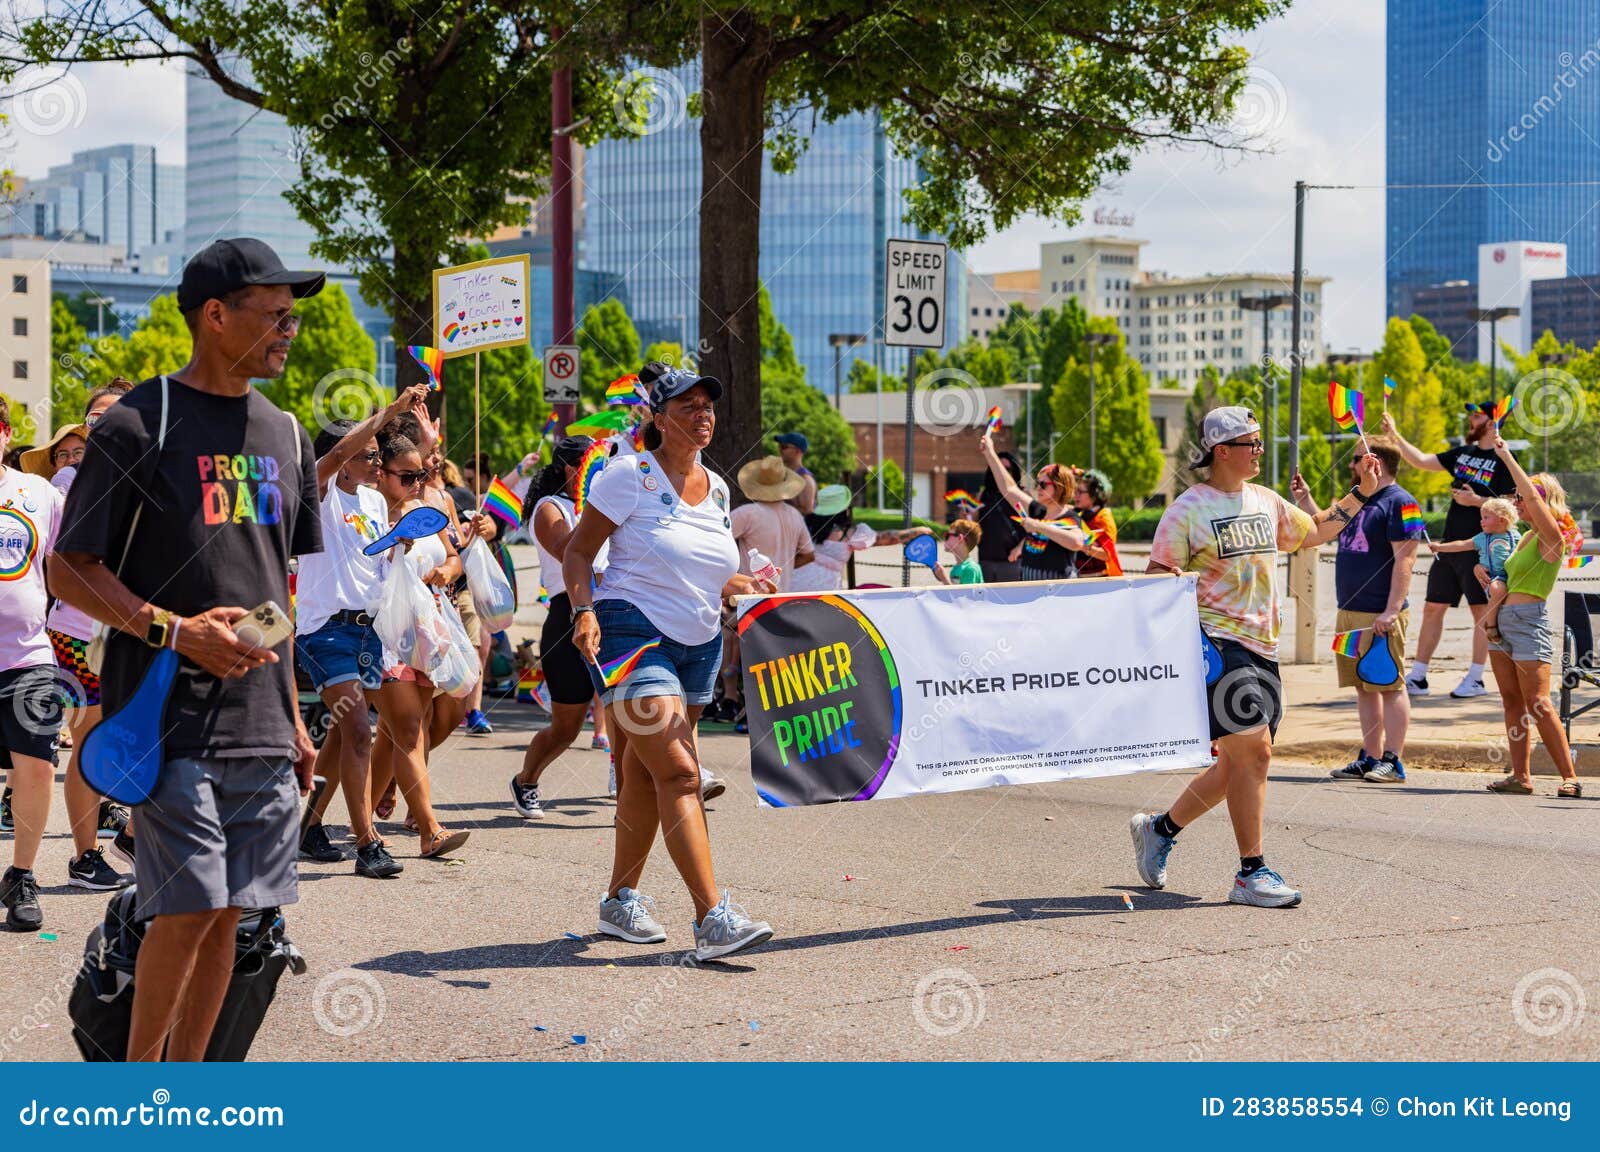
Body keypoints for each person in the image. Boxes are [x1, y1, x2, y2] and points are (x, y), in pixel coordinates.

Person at [48, 236, 324, 1059]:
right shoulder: (140, 422)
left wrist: (297, 715)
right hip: (165, 719)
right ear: (215, 314)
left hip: (264, 723)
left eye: (292, 317)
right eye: (273, 313)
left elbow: (278, 584)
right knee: (189, 904)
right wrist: (174, 630)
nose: (288, 329)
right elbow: (68, 570)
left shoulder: (286, 431)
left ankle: (189, 1087)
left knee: (232, 917)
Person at [564, 367, 776, 961]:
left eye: (708, 404)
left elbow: (709, 574)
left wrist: (749, 584)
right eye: (688, 405)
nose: (703, 413)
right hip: (631, 631)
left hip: (700, 641)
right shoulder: (627, 475)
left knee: (641, 775)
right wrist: (584, 610)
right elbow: (580, 551)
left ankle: (618, 900)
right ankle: (712, 918)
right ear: (658, 417)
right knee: (682, 774)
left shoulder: (718, 488)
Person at [1130, 406, 1377, 908]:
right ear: (1223, 451)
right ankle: (1251, 873)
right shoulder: (1188, 508)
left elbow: (1315, 531)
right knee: (1255, 752)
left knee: (1238, 766)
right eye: (1252, 444)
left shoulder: (1266, 501)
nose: (1260, 451)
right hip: (1217, 645)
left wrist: (1361, 495)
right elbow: (1157, 576)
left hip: (1265, 648)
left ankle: (1160, 828)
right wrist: (1170, 583)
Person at [293, 384, 428, 880]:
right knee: (357, 731)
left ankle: (307, 825)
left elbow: (372, 564)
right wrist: (391, 411)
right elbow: (334, 452)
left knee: (343, 734)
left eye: (377, 456)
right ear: (345, 459)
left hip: (368, 631)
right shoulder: (320, 491)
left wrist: (398, 547)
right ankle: (368, 842)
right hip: (324, 630)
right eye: (367, 455)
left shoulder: (373, 503)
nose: (376, 462)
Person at [16, 421, 132, 893]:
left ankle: (126, 837)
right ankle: (87, 854)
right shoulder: (70, 484)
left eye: (82, 450)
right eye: (64, 454)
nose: (73, 461)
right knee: (91, 741)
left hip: (125, 629)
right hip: (79, 634)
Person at [364, 429, 471, 859]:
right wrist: (391, 548)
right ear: (381, 474)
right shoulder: (367, 512)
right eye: (406, 476)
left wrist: (447, 570)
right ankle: (429, 828)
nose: (415, 483)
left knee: (396, 732)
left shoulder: (425, 509)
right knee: (408, 728)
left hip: (425, 631)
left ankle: (361, 822)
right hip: (383, 633)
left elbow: (452, 555)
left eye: (420, 474)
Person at [1291, 441, 1424, 783]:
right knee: (1363, 687)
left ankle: (1393, 761)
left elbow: (1406, 558)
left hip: (1380, 614)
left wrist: (1392, 609)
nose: (1351, 466)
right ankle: (1371, 756)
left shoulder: (1402, 502)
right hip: (1348, 611)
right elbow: (1326, 529)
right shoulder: (1358, 498)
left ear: (1372, 462)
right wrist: (1306, 501)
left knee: (1390, 685)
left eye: (1355, 460)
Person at [1381, 404, 1518, 699]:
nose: (1471, 419)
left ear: (1494, 421)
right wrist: (1394, 434)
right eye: (1470, 414)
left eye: (1477, 415)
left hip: (1480, 548)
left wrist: (1476, 501)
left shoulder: (1504, 456)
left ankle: (1477, 678)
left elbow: (1514, 504)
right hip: (1448, 547)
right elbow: (1420, 460)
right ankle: (1418, 676)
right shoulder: (1462, 453)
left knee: (1481, 613)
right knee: (1433, 608)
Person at [510, 436, 615, 818]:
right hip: (567, 614)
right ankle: (526, 779)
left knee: (627, 708)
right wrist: (593, 507)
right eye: (594, 466)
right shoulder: (549, 507)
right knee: (566, 728)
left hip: (613, 612)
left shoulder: (608, 506)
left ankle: (626, 777)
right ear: (574, 469)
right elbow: (568, 550)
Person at [1478, 440, 1583, 798]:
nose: (1516, 502)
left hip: (1528, 622)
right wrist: (1490, 610)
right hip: (1501, 620)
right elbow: (1506, 583)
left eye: (1522, 498)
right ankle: (1520, 777)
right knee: (1511, 701)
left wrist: (1506, 456)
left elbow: (1536, 502)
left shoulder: (1553, 539)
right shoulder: (1523, 540)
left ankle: (1568, 775)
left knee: (1538, 702)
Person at [0, 406, 68, 930]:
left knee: (38, 764)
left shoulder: (38, 494)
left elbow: (81, 554)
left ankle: (22, 874)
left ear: (4, 434)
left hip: (27, 655)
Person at [787, 484, 932, 595]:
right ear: (846, 508)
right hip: (824, 592)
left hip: (792, 585)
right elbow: (886, 538)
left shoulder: (805, 523)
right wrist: (916, 531)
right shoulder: (848, 533)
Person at [978, 435, 1081, 582]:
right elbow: (1009, 488)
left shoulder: (1069, 517)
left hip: (1056, 596)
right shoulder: (1037, 511)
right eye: (1037, 483)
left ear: (1059, 487)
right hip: (1030, 591)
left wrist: (1039, 526)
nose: (1038, 488)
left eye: (1043, 484)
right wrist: (989, 452)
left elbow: (1076, 542)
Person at [1426, 497, 1518, 641]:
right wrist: (1440, 547)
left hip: (1513, 577)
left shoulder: (1516, 537)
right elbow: (1461, 545)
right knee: (1497, 589)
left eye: (1486, 517)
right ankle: (1491, 625)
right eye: (1482, 517)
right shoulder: (1482, 538)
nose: (1481, 521)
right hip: (1493, 578)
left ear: (1502, 520)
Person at [731, 455, 815, 590]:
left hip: (752, 596)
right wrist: (777, 571)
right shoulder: (795, 515)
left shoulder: (747, 513)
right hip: (782, 595)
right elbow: (808, 555)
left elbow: (717, 542)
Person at [974, 451, 1025, 582]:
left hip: (1012, 561)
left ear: (1014, 471)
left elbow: (1036, 527)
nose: (1002, 472)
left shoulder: (1023, 495)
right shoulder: (983, 495)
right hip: (985, 561)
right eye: (997, 468)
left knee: (1011, 601)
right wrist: (967, 516)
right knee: (986, 602)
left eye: (1007, 469)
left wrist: (1020, 548)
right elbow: (974, 525)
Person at [1069, 470, 1122, 577]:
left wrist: (1084, 547)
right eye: (1075, 491)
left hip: (1102, 581)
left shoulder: (1103, 517)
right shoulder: (1079, 514)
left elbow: (1107, 555)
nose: (1075, 496)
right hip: (1080, 579)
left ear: (1094, 495)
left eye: (1080, 492)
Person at [775, 431, 816, 515]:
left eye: (784, 447)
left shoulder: (805, 479)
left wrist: (777, 506)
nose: (779, 450)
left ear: (797, 451)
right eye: (779, 446)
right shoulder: (781, 473)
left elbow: (807, 511)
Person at [933, 519, 984, 586]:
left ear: (960, 538)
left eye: (947, 535)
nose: (944, 538)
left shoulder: (970, 569)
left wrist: (944, 579)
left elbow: (965, 595)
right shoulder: (957, 567)